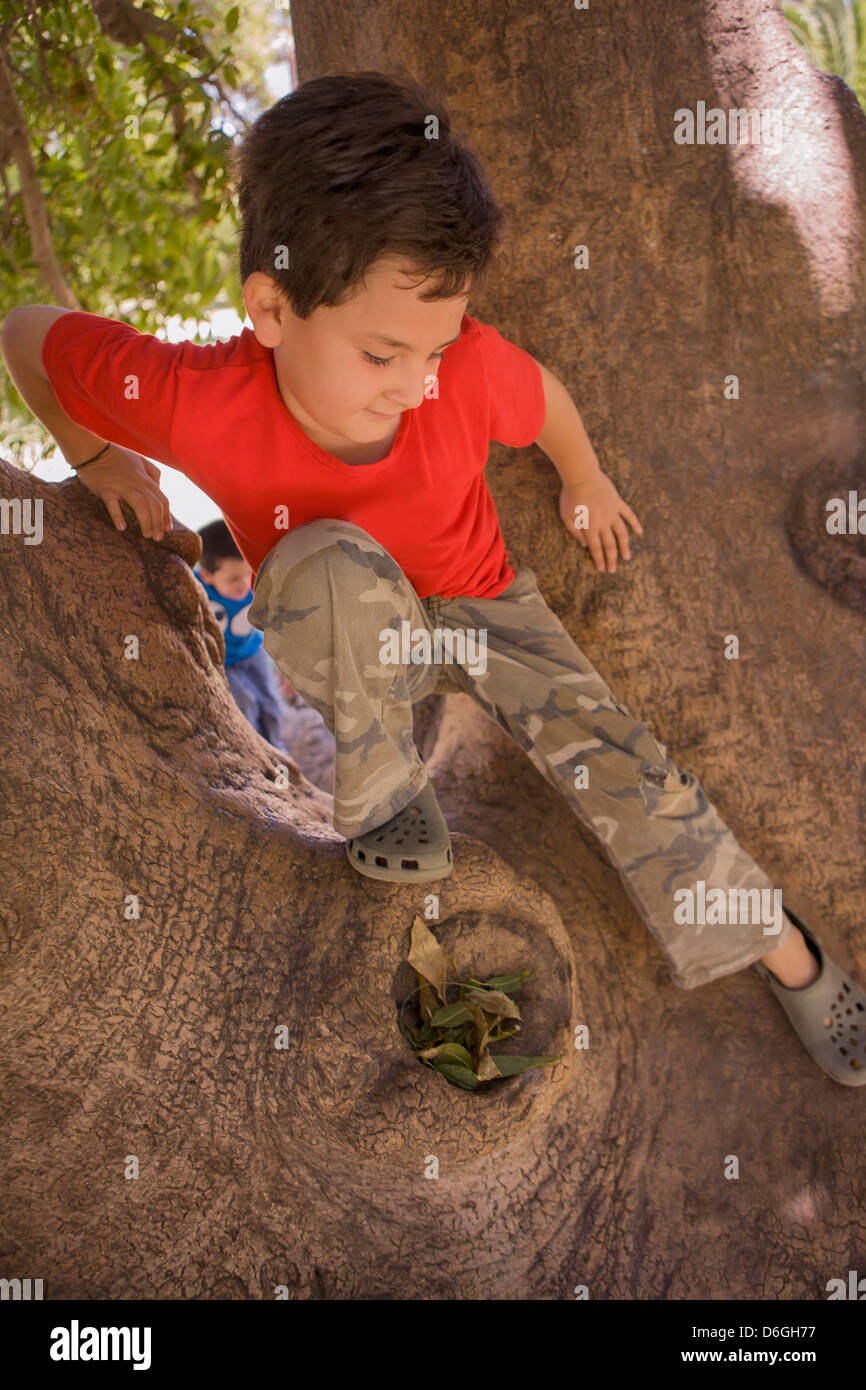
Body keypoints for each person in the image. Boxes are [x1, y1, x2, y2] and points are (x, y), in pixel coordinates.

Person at [2, 69, 864, 1087]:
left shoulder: (454, 372)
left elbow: (537, 397)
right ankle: (380, 796)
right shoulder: (201, 400)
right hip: (344, 621)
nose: (416, 385)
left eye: (436, 348)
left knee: (632, 769)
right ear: (270, 308)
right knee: (320, 566)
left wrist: (582, 478)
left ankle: (783, 950)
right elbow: (28, 335)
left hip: (484, 609)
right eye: (380, 354)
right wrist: (99, 457)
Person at [194, 517, 291, 754]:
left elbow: (281, 623)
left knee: (271, 702)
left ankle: (276, 748)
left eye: (246, 574)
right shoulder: (197, 589)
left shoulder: (256, 583)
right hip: (222, 660)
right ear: (207, 576)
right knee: (243, 702)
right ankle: (253, 752)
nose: (243, 584)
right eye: (234, 579)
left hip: (252, 651)